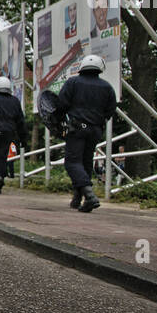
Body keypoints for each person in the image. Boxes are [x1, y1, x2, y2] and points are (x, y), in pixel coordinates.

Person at [53, 54, 117, 212]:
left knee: (72, 162)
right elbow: (110, 109)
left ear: (82, 67)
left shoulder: (73, 82)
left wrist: (58, 121)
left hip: (76, 128)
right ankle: (77, 198)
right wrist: (99, 121)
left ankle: (89, 195)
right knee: (86, 162)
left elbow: (61, 104)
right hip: (95, 129)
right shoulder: (107, 87)